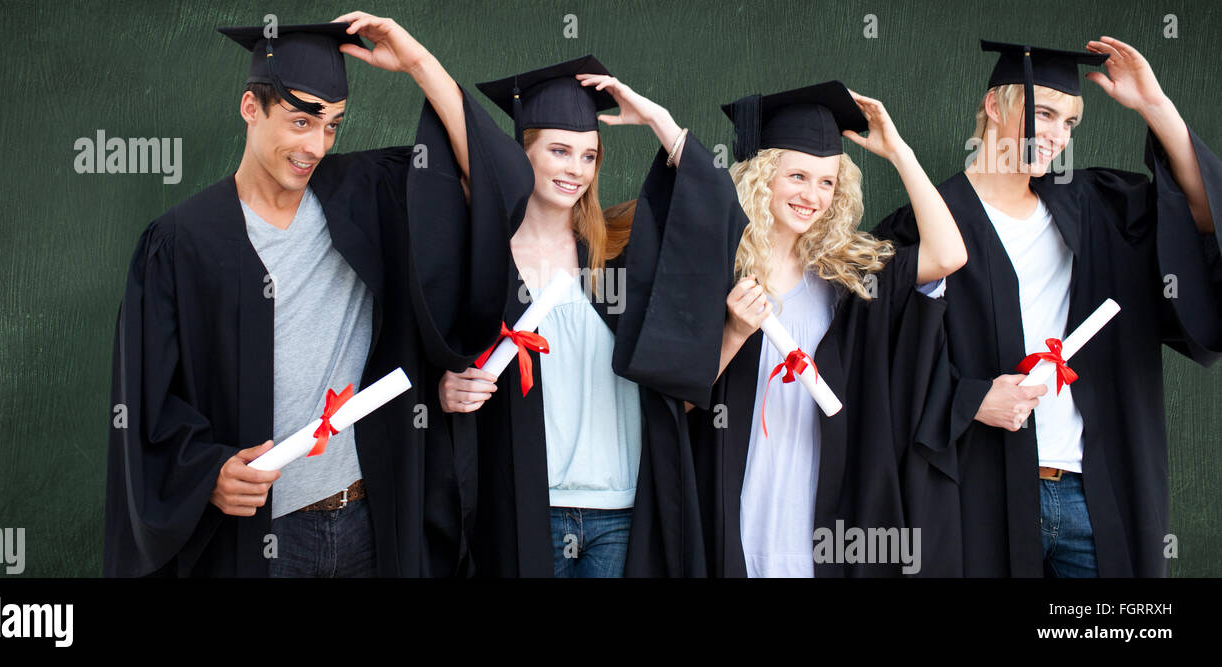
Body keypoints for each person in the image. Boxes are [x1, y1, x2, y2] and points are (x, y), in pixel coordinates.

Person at [103, 14, 532, 577]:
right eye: (302, 121)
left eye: (332, 125)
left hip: (370, 521)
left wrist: (418, 64)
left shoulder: (367, 194)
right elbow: (148, 406)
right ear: (250, 108)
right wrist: (208, 473)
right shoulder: (183, 242)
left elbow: (500, 183)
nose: (317, 145)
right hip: (265, 538)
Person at [878, 37, 1222, 577]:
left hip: (1094, 492)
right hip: (979, 492)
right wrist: (970, 399)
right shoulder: (923, 225)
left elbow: (1202, 214)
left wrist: (1154, 105)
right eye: (1044, 113)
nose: (1058, 136)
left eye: (1069, 123)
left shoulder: (1096, 207)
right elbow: (882, 364)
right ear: (996, 106)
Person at [438, 55, 746, 577]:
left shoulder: (617, 260)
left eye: (588, 155)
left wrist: (657, 120)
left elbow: (714, 210)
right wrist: (446, 390)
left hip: (619, 512)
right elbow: (436, 361)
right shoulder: (482, 261)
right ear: (522, 153)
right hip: (527, 507)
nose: (575, 169)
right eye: (559, 151)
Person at [687, 81, 966, 577]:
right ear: (761, 177)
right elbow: (679, 402)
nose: (812, 196)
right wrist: (733, 331)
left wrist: (898, 152)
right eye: (797, 176)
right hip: (735, 497)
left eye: (827, 182)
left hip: (821, 503)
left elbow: (948, 255)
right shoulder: (714, 270)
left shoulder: (845, 276)